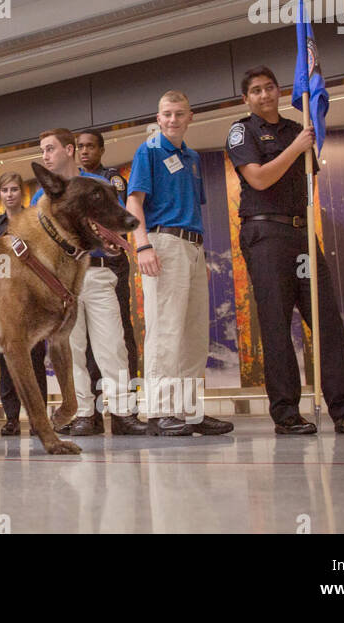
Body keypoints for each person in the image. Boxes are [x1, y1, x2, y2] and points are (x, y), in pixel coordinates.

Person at [227, 66, 344, 435]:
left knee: (326, 322)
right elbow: (258, 177)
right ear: (246, 99)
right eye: (255, 90)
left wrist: (300, 145)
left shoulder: (297, 128)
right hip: (265, 233)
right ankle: (287, 413)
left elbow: (308, 183)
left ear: (279, 90)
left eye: (269, 88)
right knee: (276, 323)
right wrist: (295, 148)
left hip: (301, 236)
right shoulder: (243, 131)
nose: (264, 95)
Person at [126, 92, 232, 436]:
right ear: (158, 119)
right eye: (166, 114)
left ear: (191, 118)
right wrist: (142, 245)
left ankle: (188, 411)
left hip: (193, 245)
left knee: (194, 334)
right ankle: (158, 411)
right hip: (163, 243)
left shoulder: (193, 158)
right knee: (166, 330)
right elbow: (134, 202)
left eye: (179, 114)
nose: (172, 120)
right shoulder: (149, 151)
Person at [31, 129, 146, 437]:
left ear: (69, 150)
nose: (45, 156)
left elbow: (115, 226)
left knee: (113, 345)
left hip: (96, 273)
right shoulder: (40, 198)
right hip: (60, 282)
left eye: (50, 149)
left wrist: (112, 243)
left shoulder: (100, 186)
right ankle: (83, 413)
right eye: (42, 150)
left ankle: (123, 412)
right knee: (71, 349)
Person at [73, 130, 141, 417]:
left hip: (110, 263)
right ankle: (93, 409)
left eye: (90, 146)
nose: (85, 151)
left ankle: (125, 407)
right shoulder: (73, 184)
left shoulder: (111, 181)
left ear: (101, 150)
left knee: (118, 336)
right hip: (80, 268)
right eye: (80, 147)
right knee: (83, 342)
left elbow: (117, 218)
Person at [0, 171, 50, 436]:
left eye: (13, 190)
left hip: (31, 301)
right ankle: (11, 418)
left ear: (21, 193)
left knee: (34, 359)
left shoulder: (35, 222)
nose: (9, 195)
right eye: (4, 190)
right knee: (7, 361)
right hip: (2, 303)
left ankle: (39, 418)